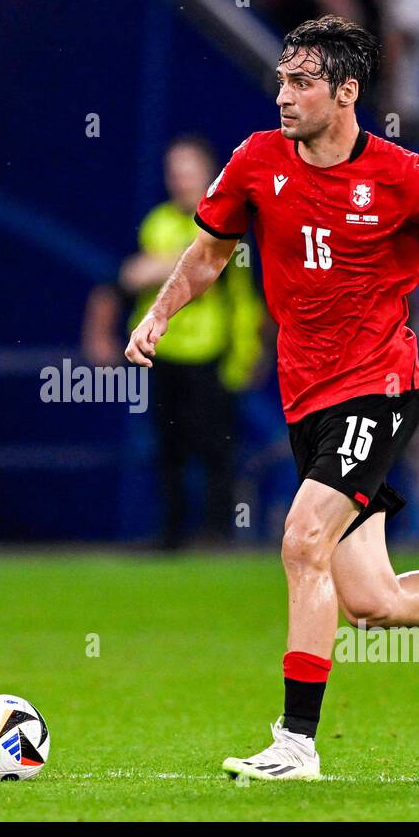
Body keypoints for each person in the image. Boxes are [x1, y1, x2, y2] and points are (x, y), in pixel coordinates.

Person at [125, 15, 419, 782]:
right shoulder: (255, 160)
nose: (283, 94)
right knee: (373, 601)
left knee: (301, 539)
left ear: (346, 91)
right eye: (281, 77)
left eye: (302, 81)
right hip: (307, 398)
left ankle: (295, 743)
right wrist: (159, 313)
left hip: (378, 389)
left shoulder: (406, 176)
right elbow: (208, 254)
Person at [83, 136, 264, 548]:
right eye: (174, 171)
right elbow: (125, 279)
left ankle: (218, 534)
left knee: (217, 448)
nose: (180, 179)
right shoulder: (157, 221)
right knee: (169, 448)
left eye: (188, 170)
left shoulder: (226, 220)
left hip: (212, 353)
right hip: (162, 352)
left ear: (208, 174)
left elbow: (238, 290)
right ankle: (171, 535)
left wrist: (249, 351)